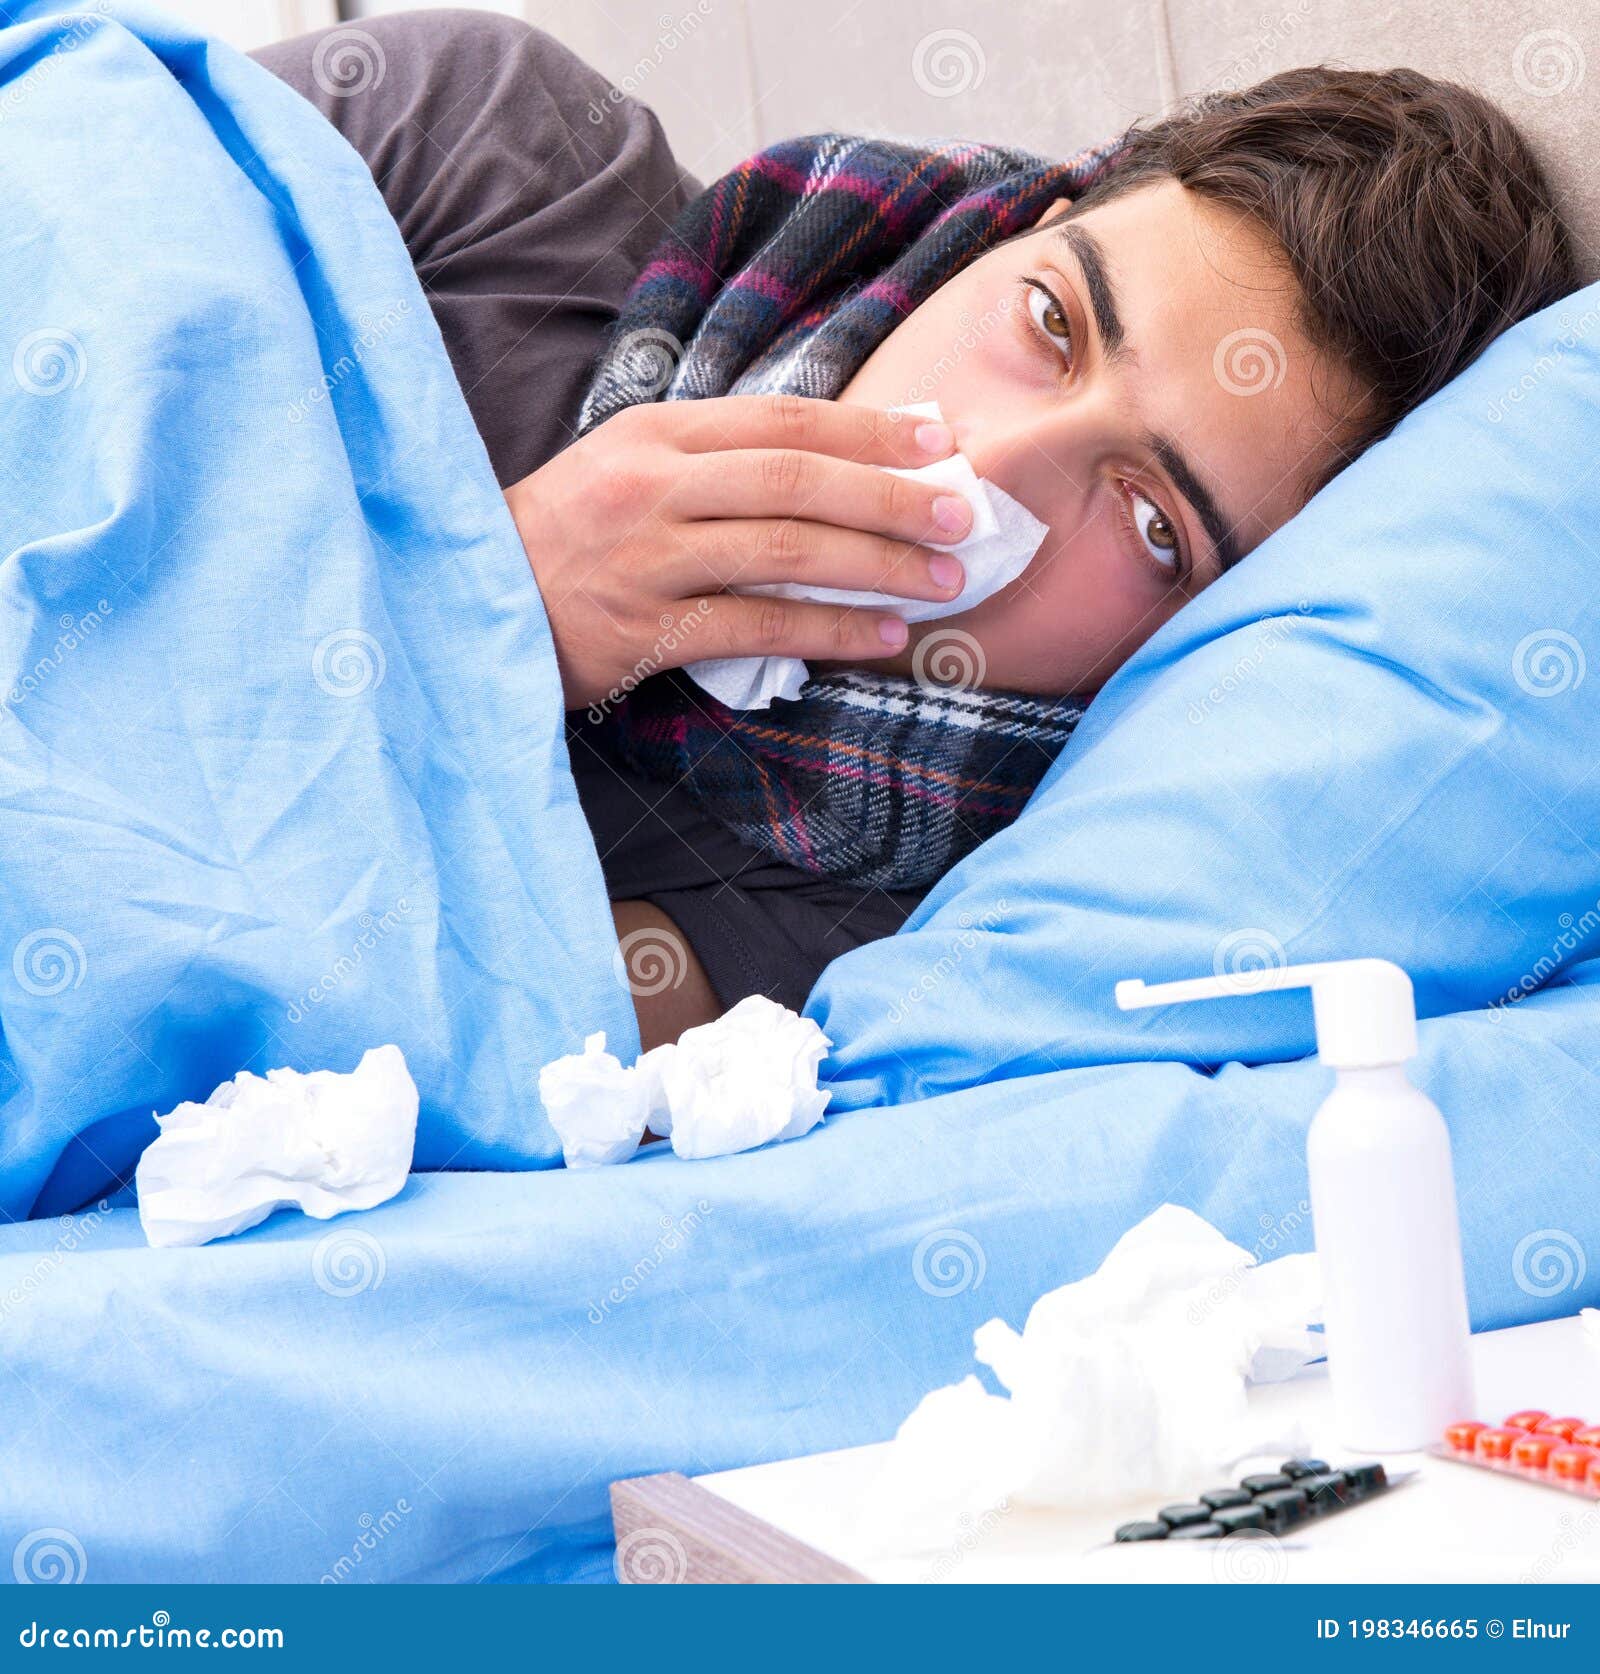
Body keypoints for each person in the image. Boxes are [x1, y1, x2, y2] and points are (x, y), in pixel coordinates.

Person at [256, 9, 1576, 1050]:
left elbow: (255, 1037)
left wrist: (477, 638)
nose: (989, 462)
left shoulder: (842, 941)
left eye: (1151, 519)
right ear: (1022, 232)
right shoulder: (478, 147)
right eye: (1053, 322)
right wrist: (510, 571)